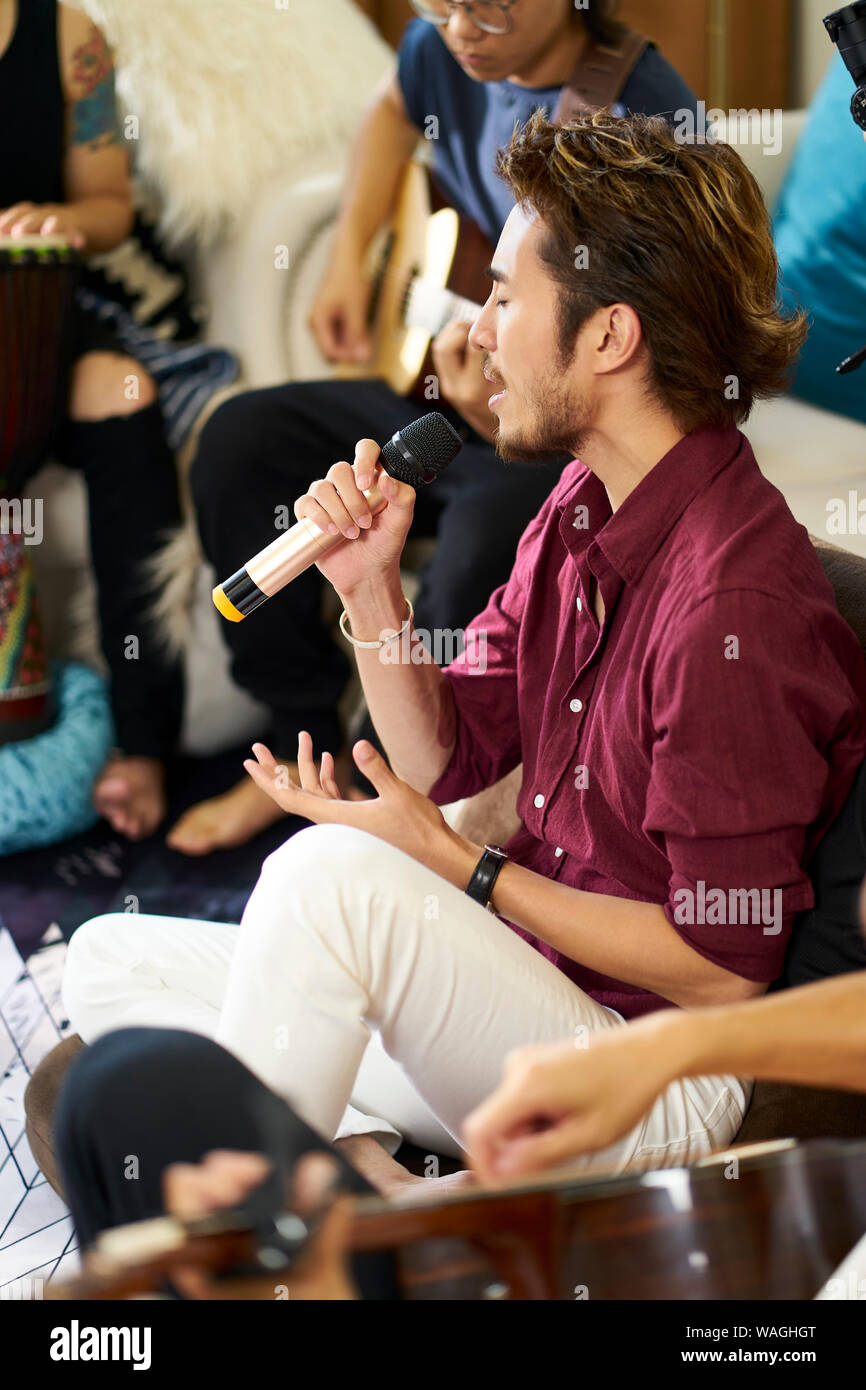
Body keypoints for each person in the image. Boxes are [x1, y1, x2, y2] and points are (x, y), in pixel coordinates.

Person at [60, 110, 866, 1204]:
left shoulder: (732, 603)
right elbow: (443, 759)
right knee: (110, 961)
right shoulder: (581, 505)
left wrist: (458, 866)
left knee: (332, 881)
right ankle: (373, 1191)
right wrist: (371, 585)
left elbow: (723, 971)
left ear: (607, 337)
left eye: (501, 298)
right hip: (527, 997)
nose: (475, 332)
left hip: (653, 1081)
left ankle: (273, 1255)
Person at [168, 0, 702, 854]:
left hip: (548, 423)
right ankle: (301, 738)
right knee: (242, 437)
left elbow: (653, 353)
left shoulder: (647, 117)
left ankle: (402, 795)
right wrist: (352, 253)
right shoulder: (437, 46)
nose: (459, 29)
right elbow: (390, 112)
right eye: (439, 5)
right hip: (445, 388)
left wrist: (508, 378)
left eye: (486, 9)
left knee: (483, 538)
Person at [0, 0, 183, 837]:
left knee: (125, 393)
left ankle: (143, 745)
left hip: (37, 326)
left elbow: (109, 204)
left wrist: (60, 223)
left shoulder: (72, 35)